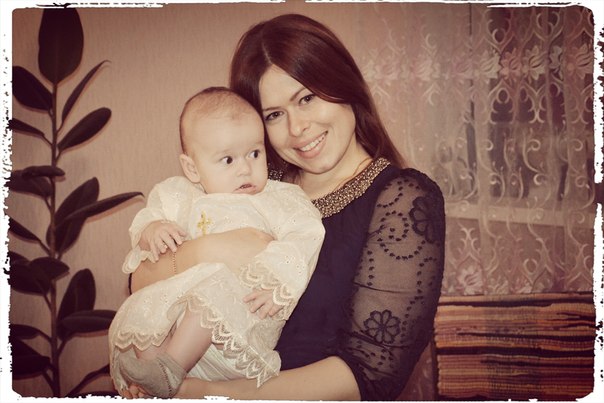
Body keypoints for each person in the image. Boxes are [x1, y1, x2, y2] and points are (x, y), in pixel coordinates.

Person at [124, 13, 446, 401]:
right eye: (274, 115)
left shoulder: (402, 200)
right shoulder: (254, 185)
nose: (296, 128)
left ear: (343, 84)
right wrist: (208, 250)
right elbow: (138, 281)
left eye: (306, 98)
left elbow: (372, 374)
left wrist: (205, 393)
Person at [108, 86, 324, 398]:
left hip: (238, 321)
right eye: (227, 159)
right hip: (179, 326)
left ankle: (168, 370)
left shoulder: (278, 198)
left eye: (255, 153)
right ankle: (153, 377)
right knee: (145, 305)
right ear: (192, 168)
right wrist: (152, 229)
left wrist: (278, 283)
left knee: (214, 287)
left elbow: (305, 235)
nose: (245, 168)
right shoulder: (180, 194)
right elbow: (148, 221)